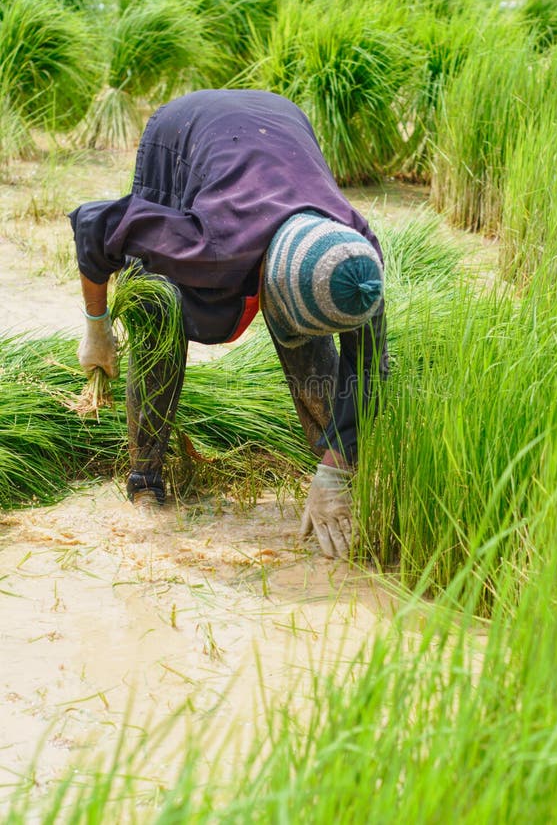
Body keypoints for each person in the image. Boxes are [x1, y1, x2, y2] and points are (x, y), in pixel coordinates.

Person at [69, 89, 388, 559]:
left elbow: (367, 369)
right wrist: (97, 326)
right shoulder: (205, 242)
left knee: (308, 343)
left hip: (277, 126)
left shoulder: (356, 261)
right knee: (158, 304)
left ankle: (334, 467)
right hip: (181, 134)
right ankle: (145, 482)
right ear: (262, 274)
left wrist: (337, 468)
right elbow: (94, 225)